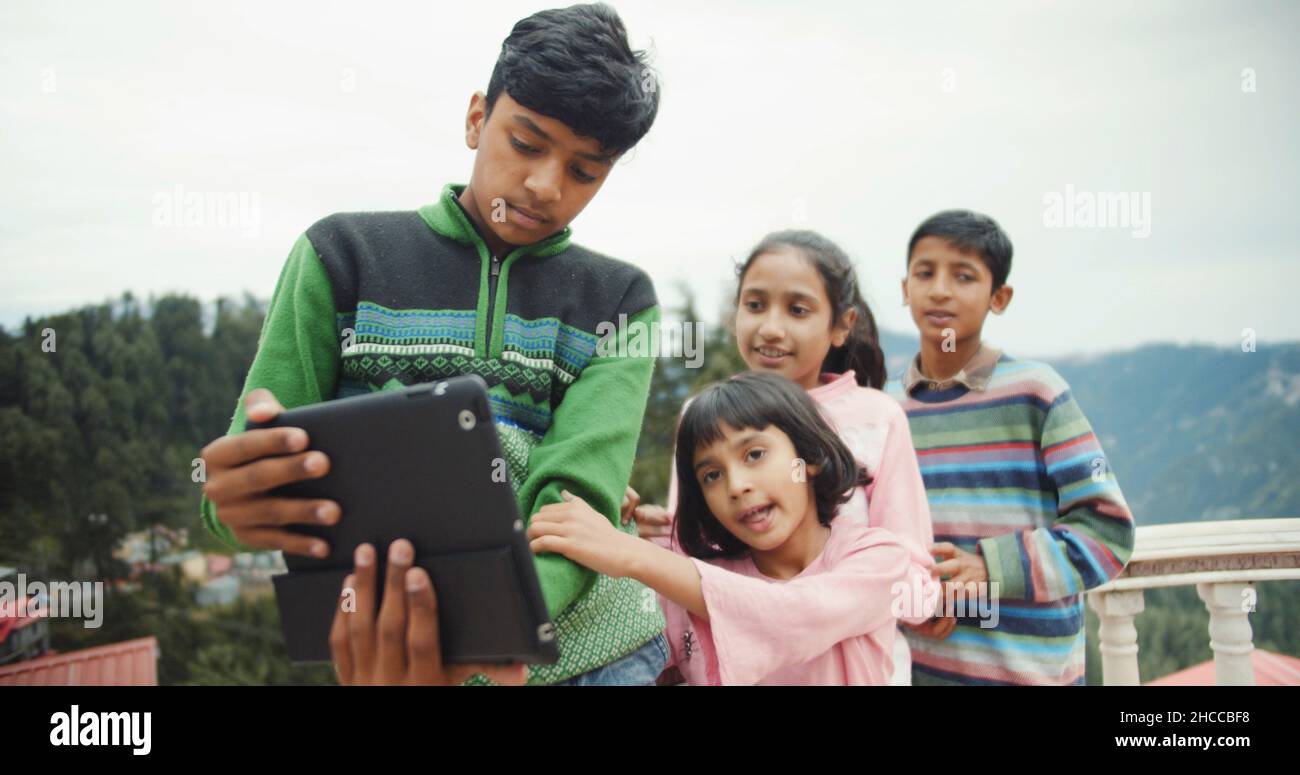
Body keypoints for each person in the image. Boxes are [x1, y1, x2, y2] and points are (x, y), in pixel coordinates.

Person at [198, 4, 668, 685]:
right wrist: (235, 500)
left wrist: (493, 628)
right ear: (477, 117)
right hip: (398, 657)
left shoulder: (621, 302)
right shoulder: (341, 257)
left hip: (602, 654)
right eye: (527, 143)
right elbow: (243, 487)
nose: (545, 185)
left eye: (584, 171)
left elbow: (576, 504)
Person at [625, 230, 938, 683]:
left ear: (841, 324)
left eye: (797, 309)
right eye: (755, 305)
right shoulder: (702, 416)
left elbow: (910, 568)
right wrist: (657, 534)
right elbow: (696, 548)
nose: (771, 327)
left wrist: (863, 598)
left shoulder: (877, 418)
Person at [532, 372, 913, 685]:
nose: (736, 486)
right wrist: (612, 521)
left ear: (809, 457)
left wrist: (627, 551)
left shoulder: (878, 560)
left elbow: (789, 615)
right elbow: (618, 656)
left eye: (754, 454)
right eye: (712, 475)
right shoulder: (690, 583)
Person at [889, 209, 1135, 685]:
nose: (940, 288)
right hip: (920, 671)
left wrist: (992, 567)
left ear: (998, 297)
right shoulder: (885, 409)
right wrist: (906, 605)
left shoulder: (1035, 393)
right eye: (925, 272)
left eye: (963, 276)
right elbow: (874, 541)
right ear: (905, 290)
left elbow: (1107, 531)